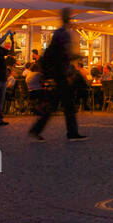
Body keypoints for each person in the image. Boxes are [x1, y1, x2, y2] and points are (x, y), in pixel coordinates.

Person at [30, 9, 85, 141]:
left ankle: (37, 129)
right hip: (61, 73)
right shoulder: (64, 34)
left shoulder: (57, 33)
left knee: (55, 104)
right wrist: (77, 56)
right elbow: (66, 53)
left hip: (56, 73)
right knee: (67, 104)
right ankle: (71, 132)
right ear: (68, 18)